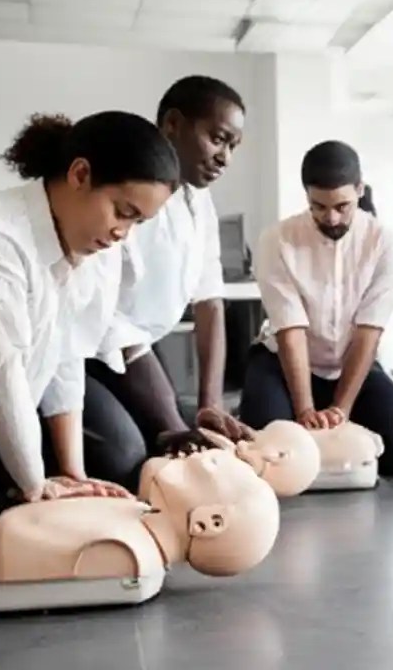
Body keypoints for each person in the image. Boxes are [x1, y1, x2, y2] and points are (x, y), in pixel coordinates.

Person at [0, 111, 177, 612]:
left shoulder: (94, 252)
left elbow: (66, 361)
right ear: (81, 174)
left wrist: (73, 476)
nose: (122, 233)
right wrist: (36, 485)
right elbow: (1, 372)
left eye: (138, 222)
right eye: (122, 211)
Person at [84, 76, 247, 489]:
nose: (225, 156)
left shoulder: (199, 199)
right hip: (88, 345)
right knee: (128, 455)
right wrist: (174, 423)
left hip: (137, 349)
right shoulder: (126, 191)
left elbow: (210, 301)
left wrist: (210, 405)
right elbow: (105, 316)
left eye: (232, 146)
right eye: (218, 138)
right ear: (173, 125)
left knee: (172, 438)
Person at [239, 140, 393, 477]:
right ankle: (260, 408)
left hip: (349, 362)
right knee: (267, 454)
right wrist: (305, 409)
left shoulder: (385, 244)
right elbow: (291, 330)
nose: (331, 218)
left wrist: (340, 411)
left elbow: (368, 333)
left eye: (342, 206)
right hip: (282, 361)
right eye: (318, 206)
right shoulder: (276, 240)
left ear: (360, 190)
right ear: (306, 194)